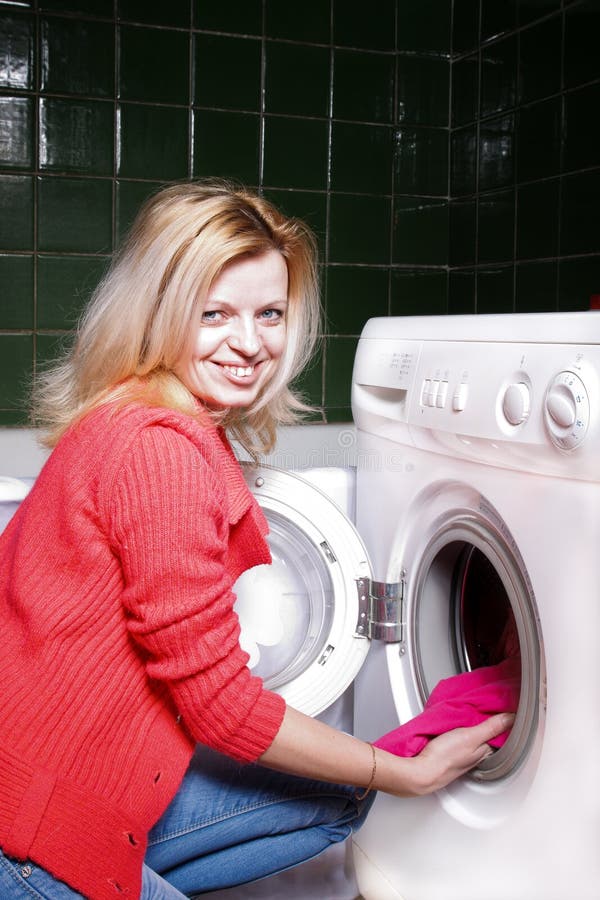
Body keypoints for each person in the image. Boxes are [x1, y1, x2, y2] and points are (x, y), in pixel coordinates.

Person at [0, 179, 512, 899]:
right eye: (214, 314)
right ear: (159, 314)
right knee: (369, 778)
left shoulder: (131, 414)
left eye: (269, 313)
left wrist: (382, 760)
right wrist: (402, 772)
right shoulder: (161, 452)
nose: (249, 344)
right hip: (30, 828)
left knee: (340, 792)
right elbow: (219, 706)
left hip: (57, 771)